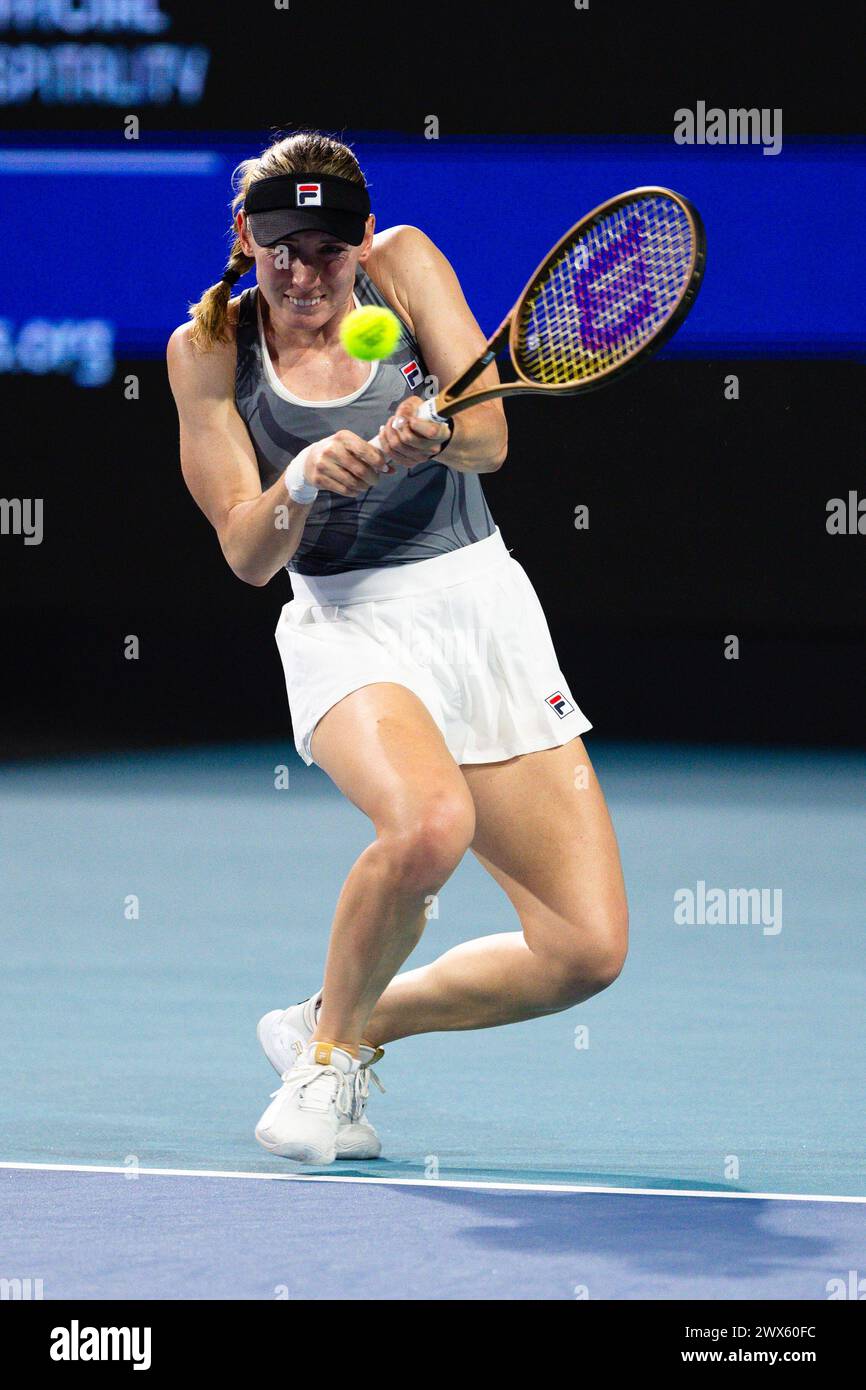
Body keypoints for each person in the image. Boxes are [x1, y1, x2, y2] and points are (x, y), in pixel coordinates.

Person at [167, 129, 628, 1166]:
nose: (304, 273)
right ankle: (326, 1072)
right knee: (428, 824)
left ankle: (341, 1018)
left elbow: (492, 439)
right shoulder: (207, 350)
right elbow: (247, 550)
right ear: (246, 237)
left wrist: (436, 429)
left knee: (583, 950)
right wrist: (296, 485)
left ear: (363, 239)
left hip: (477, 605)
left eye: (328, 249)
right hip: (345, 620)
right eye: (281, 246)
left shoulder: (407, 266)